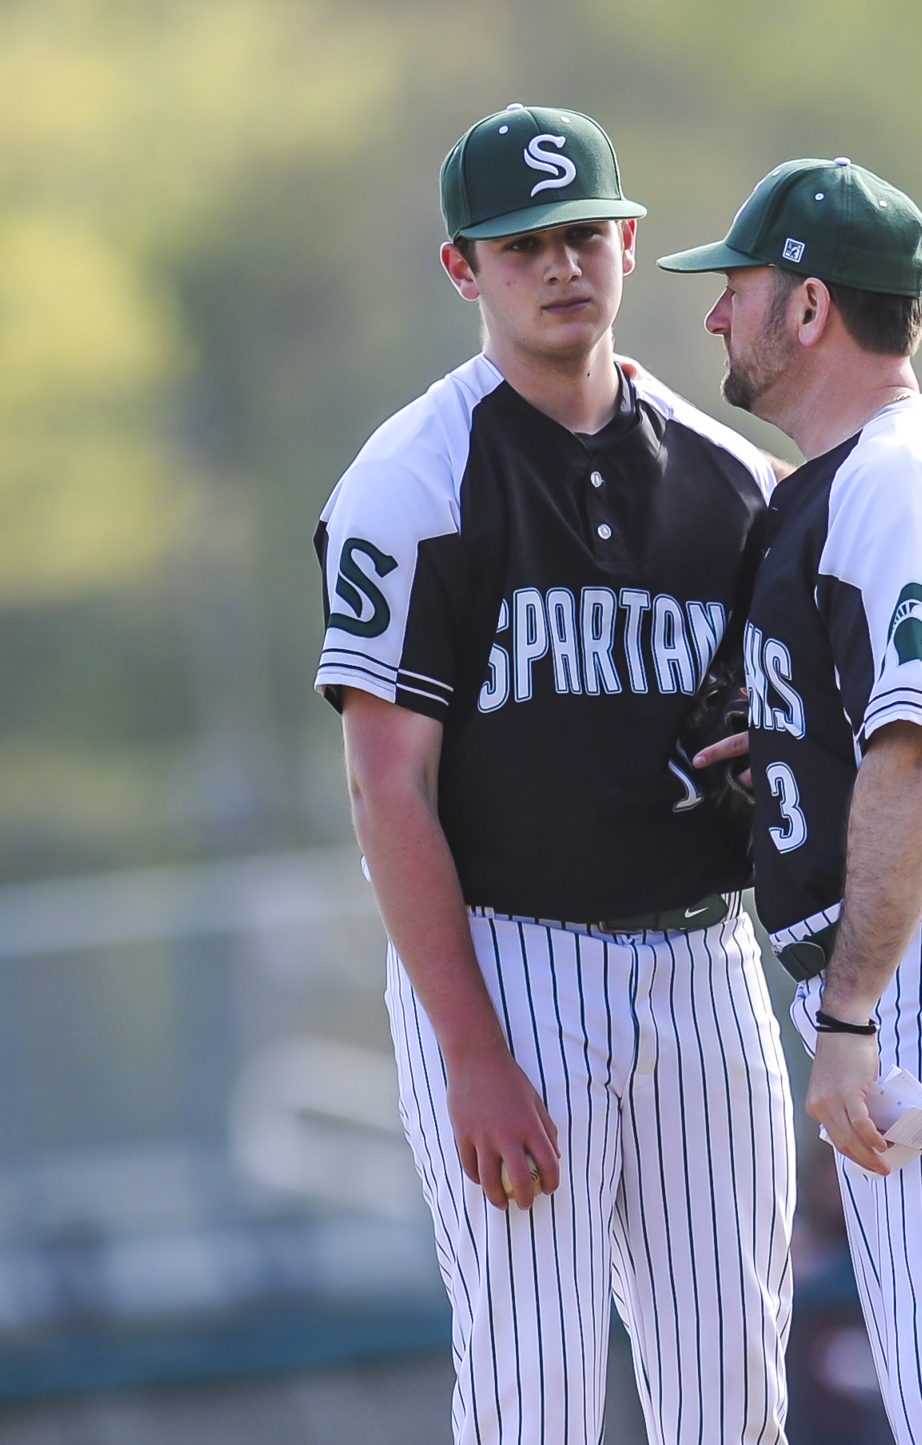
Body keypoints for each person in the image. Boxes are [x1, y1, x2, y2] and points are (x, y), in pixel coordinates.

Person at [313, 105, 794, 1444]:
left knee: (732, 1388)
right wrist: (470, 1049)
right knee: (537, 1387)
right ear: (463, 268)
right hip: (512, 965)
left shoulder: (738, 482)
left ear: (630, 242)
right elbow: (386, 788)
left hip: (705, 960)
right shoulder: (412, 482)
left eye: (582, 232)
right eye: (523, 244)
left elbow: (828, 718)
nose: (561, 264)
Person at [660, 157, 922, 1443]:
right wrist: (790, 742)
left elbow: (914, 757)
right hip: (916, 955)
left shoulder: (899, 476)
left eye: (739, 286)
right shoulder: (847, 483)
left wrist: (850, 1009)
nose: (715, 314)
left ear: (810, 307)